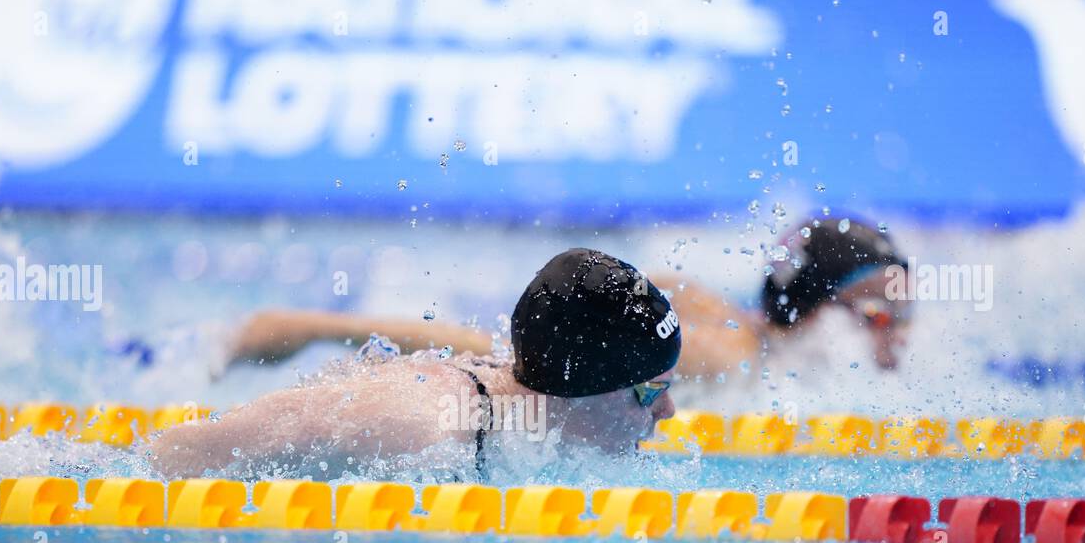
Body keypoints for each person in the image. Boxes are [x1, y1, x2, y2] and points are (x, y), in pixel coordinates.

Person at [148, 248, 679, 479]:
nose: (670, 413)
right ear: (582, 388)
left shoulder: (524, 401)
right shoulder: (422, 423)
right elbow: (175, 455)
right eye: (650, 392)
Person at [220, 216, 911, 378]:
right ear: (816, 305)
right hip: (523, 347)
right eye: (880, 309)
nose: (897, 331)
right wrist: (319, 325)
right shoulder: (727, 356)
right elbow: (528, 359)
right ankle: (303, 325)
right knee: (501, 356)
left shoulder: (740, 328)